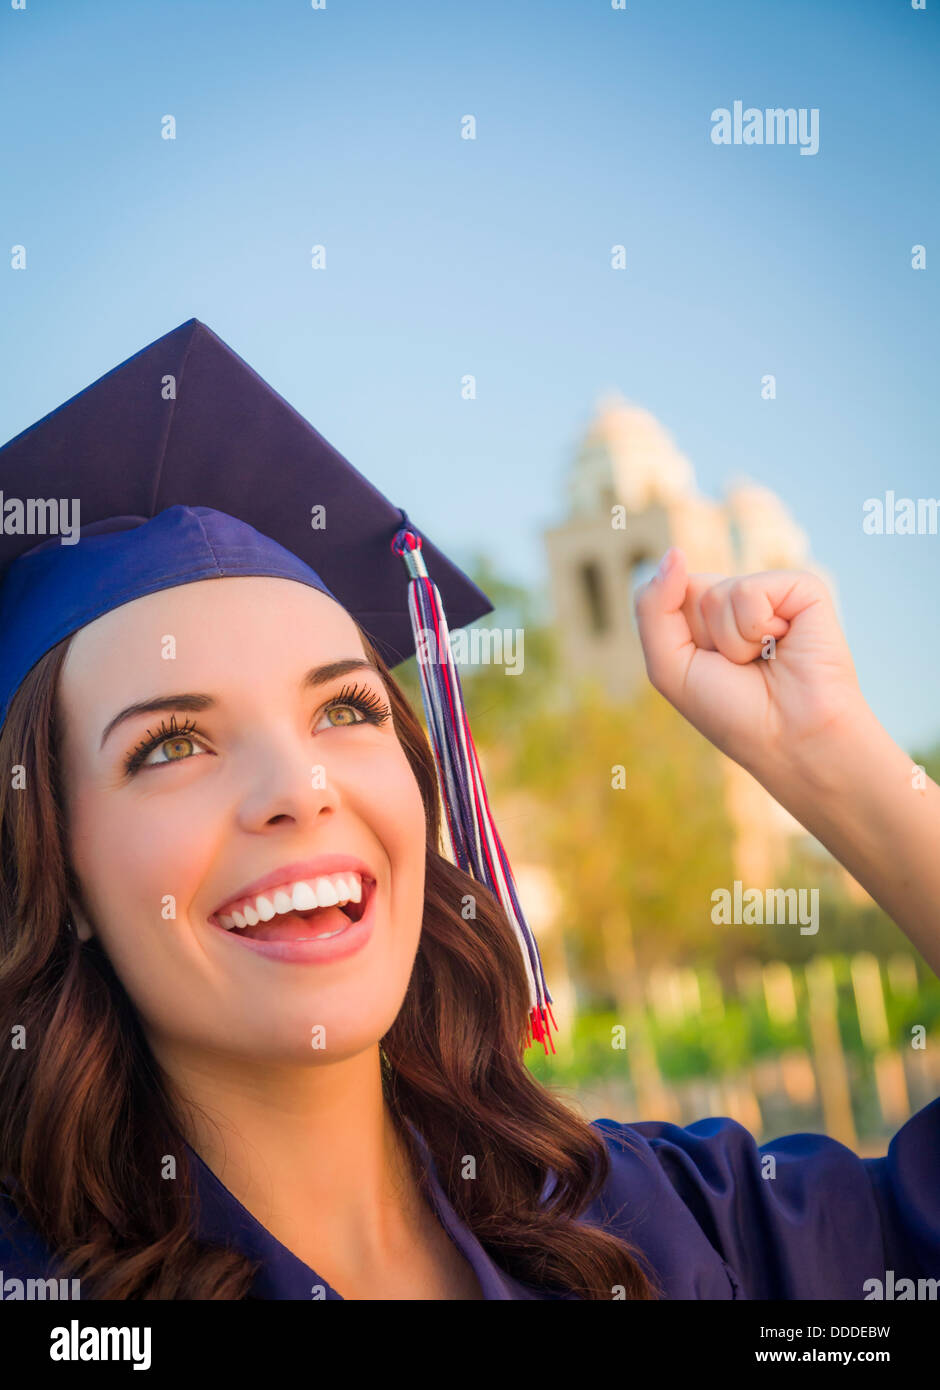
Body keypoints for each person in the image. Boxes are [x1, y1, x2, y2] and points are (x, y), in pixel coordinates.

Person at [0, 320, 936, 1300]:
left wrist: (834, 759)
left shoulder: (667, 1227)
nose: (299, 788)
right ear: (55, 869)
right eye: (172, 744)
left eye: (343, 709)